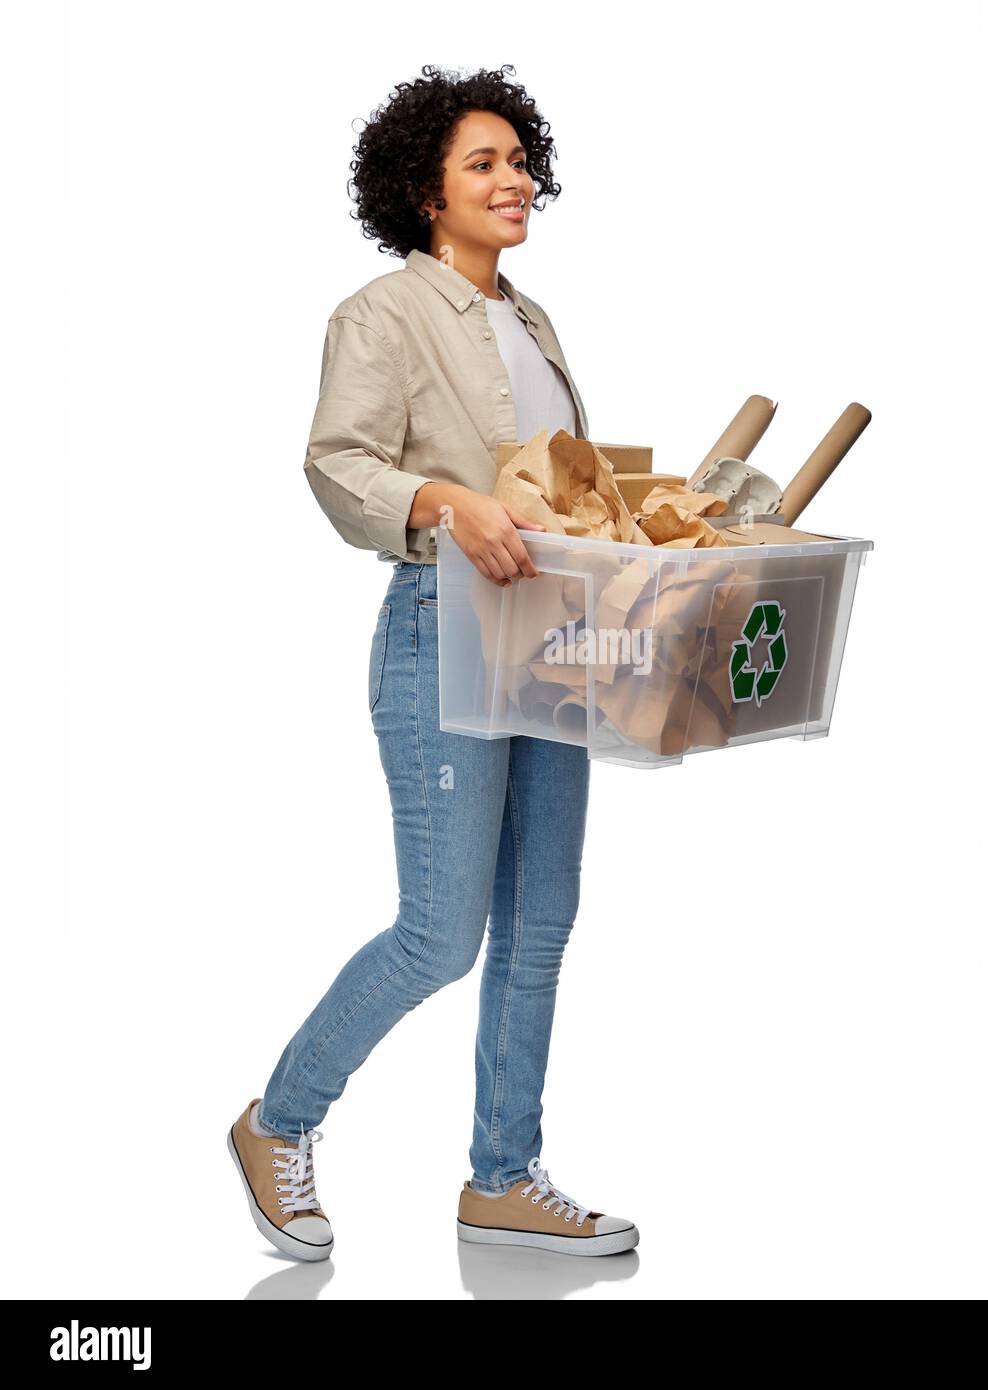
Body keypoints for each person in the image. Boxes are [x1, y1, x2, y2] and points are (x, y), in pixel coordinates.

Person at [226, 64, 638, 1262]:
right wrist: (445, 502)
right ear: (423, 192)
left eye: (519, 162)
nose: (513, 181)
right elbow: (336, 465)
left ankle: (503, 1176)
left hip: (554, 636)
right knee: (441, 932)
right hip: (439, 630)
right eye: (482, 164)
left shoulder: (531, 317)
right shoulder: (381, 315)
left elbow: (558, 478)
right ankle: (277, 1120)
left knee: (542, 917)